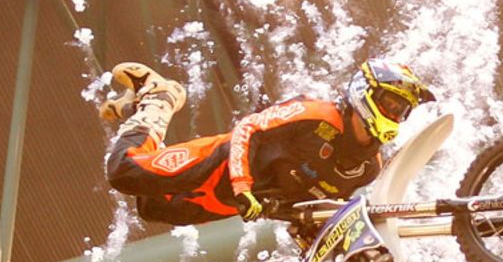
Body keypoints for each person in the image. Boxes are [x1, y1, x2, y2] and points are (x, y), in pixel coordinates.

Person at [99, 59, 436, 226]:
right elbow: (250, 128)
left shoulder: (367, 170)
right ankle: (160, 97)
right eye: (391, 104)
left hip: (228, 204)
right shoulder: (315, 113)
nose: (394, 114)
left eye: (401, 110)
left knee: (150, 206)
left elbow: (315, 214)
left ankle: (134, 108)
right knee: (124, 171)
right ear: (366, 92)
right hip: (219, 165)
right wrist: (242, 183)